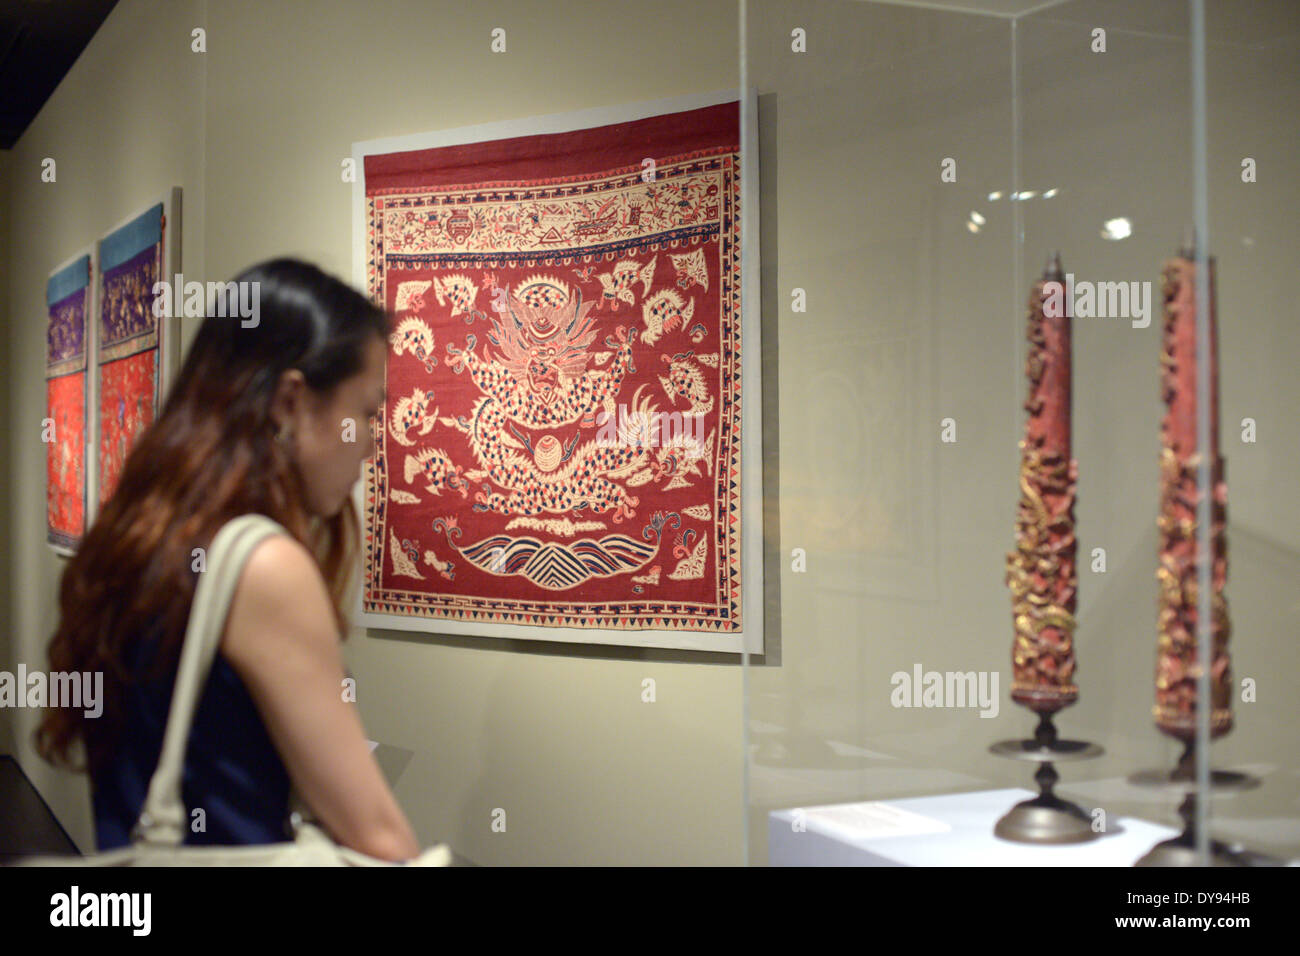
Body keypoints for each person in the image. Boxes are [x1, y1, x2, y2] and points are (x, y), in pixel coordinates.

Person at [36, 258, 421, 861]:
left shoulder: (136, 541)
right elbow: (382, 840)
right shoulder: (264, 567)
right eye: (367, 412)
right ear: (291, 401)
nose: (373, 443)